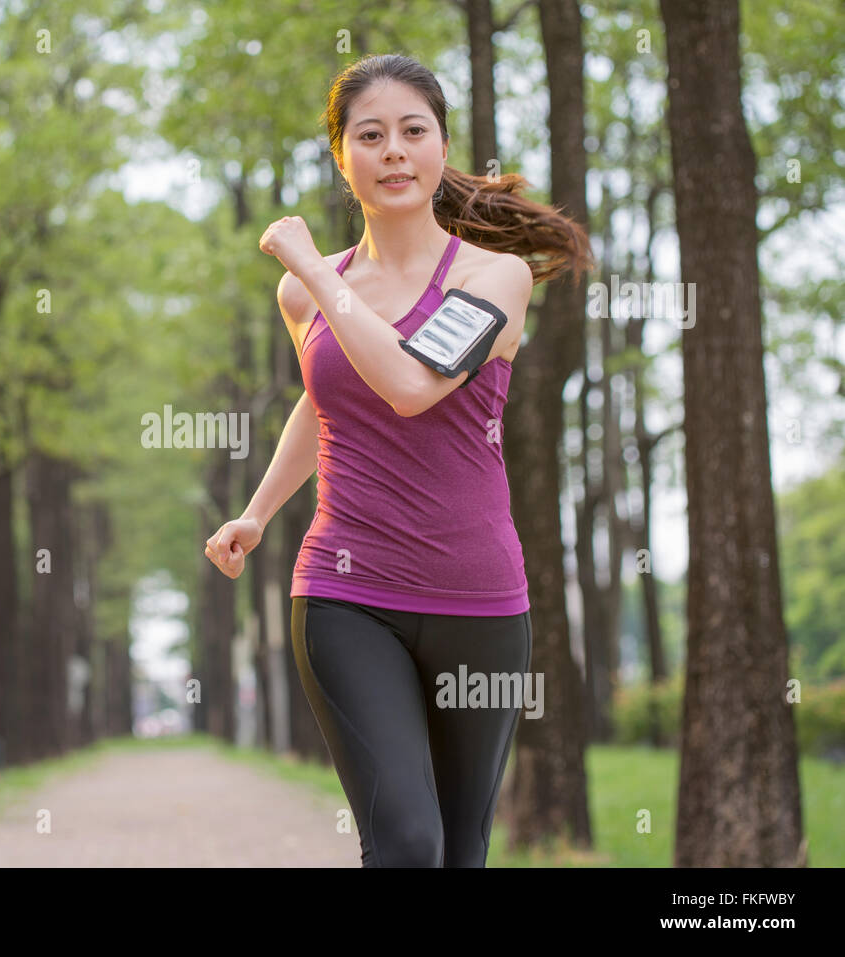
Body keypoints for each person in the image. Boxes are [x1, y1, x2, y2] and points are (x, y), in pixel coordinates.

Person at [204, 53, 594, 867]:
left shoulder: (496, 276)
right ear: (343, 159)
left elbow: (411, 385)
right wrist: (258, 510)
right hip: (348, 592)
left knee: (459, 850)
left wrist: (311, 262)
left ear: (441, 148)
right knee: (407, 844)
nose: (393, 151)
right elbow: (327, 399)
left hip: (481, 601)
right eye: (369, 135)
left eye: (413, 131)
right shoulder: (307, 297)